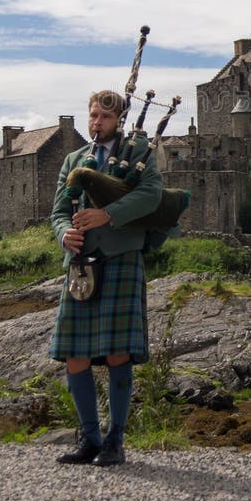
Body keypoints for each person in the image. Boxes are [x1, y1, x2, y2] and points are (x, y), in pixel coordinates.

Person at [50, 90, 163, 467]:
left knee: (118, 353)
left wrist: (107, 214)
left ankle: (116, 439)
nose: (97, 122)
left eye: (105, 117)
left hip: (121, 259)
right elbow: (59, 212)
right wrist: (65, 233)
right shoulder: (74, 159)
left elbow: (151, 195)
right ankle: (89, 438)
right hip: (81, 264)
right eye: (93, 115)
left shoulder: (138, 153)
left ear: (120, 120)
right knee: (75, 355)